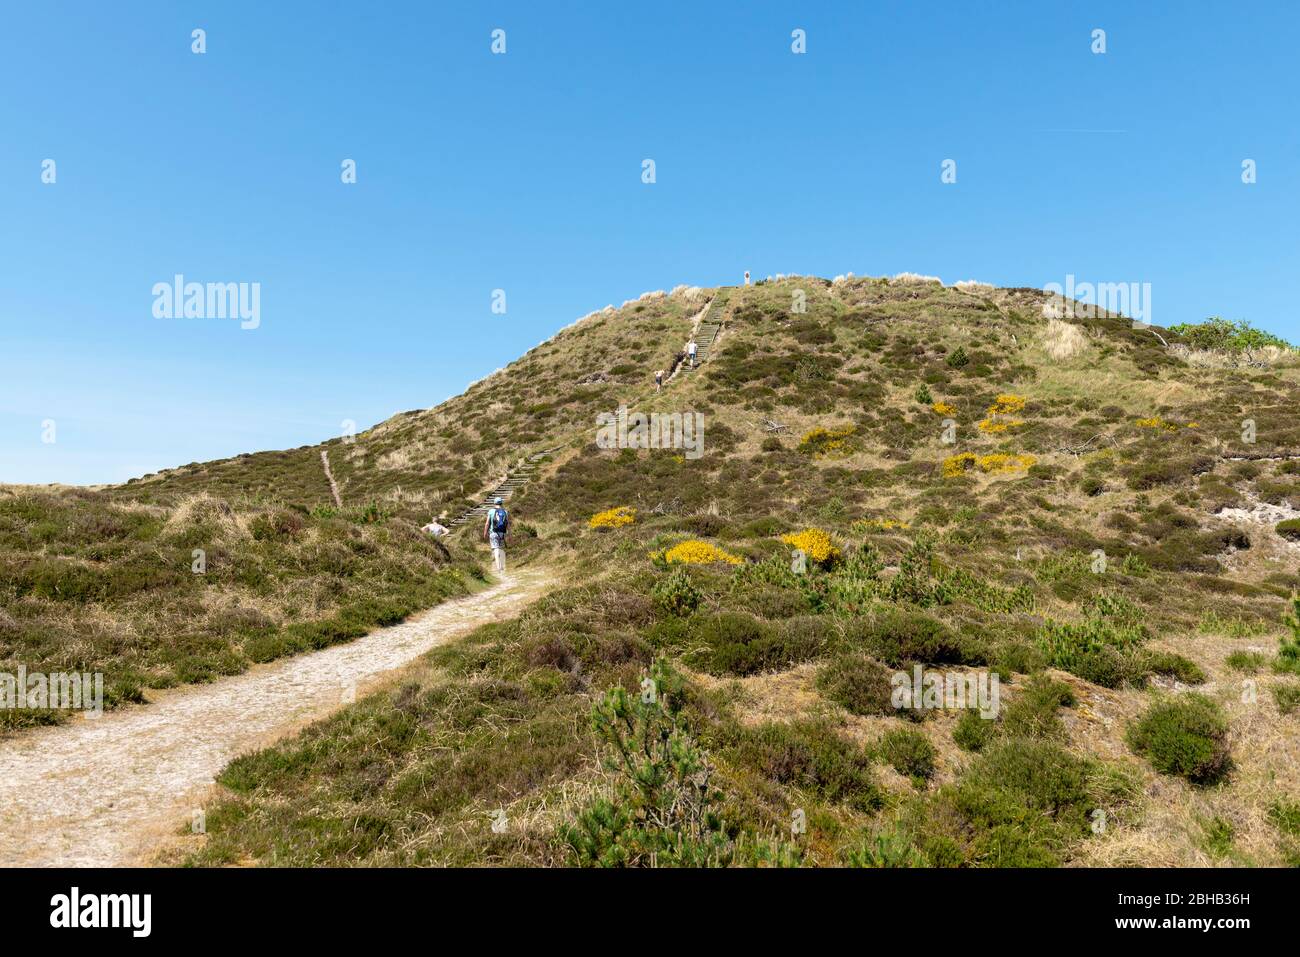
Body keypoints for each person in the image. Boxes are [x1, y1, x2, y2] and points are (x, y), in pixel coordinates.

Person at [482, 496, 509, 573]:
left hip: (493, 533)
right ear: (501, 503)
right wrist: (509, 534)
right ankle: (501, 566)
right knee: (500, 549)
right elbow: (507, 524)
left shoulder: (491, 511)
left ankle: (498, 567)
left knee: (496, 549)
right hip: (502, 533)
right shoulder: (505, 512)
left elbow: (487, 523)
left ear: (494, 503)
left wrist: (485, 532)